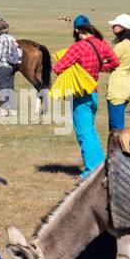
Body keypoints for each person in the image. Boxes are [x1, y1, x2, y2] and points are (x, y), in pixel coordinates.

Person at [52, 14, 119, 178]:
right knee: (91, 131)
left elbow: (58, 68)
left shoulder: (77, 47)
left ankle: (90, 171)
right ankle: (101, 166)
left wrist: (75, 69)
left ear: (76, 30)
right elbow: (115, 62)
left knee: (84, 133)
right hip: (93, 94)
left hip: (80, 95)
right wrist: (100, 69)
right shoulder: (101, 44)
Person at [105, 13, 130, 133]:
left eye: (116, 24)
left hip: (117, 90)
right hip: (126, 88)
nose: (113, 26)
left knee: (116, 131)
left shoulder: (122, 45)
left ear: (122, 27)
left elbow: (107, 61)